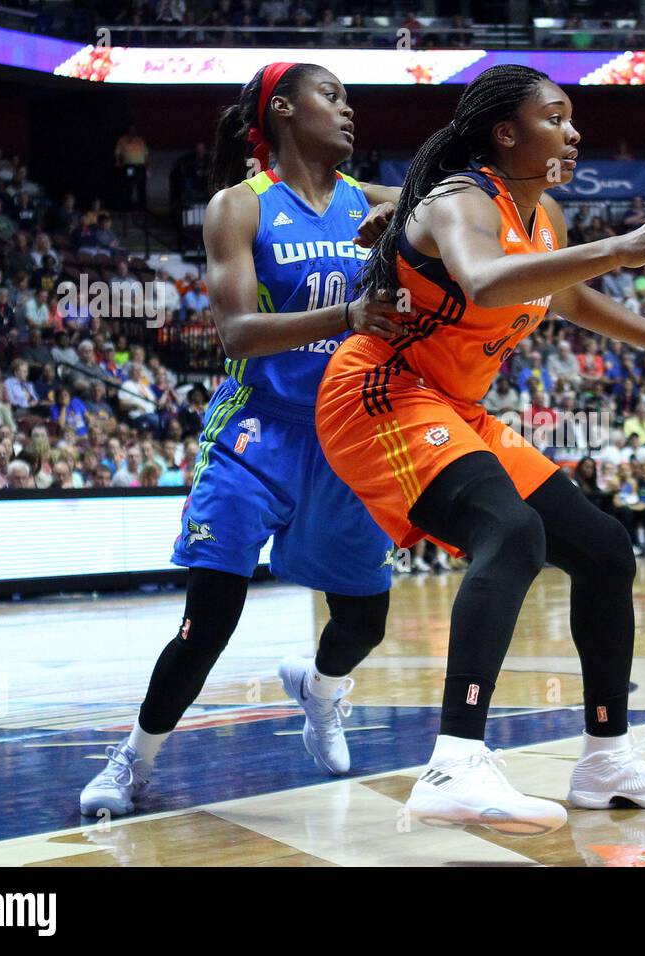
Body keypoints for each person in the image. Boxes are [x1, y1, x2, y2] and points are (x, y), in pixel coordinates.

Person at [315, 65, 645, 833]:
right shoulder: (461, 201)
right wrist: (617, 247)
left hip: (455, 405)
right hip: (378, 394)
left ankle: (605, 758)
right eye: (556, 118)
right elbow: (489, 282)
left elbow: (566, 296)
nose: (574, 131)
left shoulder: (546, 214)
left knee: (603, 549)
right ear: (506, 133)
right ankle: (454, 762)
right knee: (513, 533)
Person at [80, 62, 406, 818]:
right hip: (257, 431)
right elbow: (236, 332)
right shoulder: (240, 205)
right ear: (284, 110)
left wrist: (420, 211)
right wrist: (348, 317)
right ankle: (134, 760)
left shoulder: (368, 202)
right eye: (333, 97)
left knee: (365, 620)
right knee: (209, 619)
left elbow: (462, 203)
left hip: (346, 433)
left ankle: (321, 690)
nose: (349, 112)